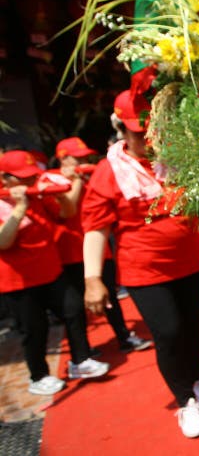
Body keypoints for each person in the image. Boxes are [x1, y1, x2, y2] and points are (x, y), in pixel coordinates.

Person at [81, 90, 199, 438]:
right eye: (137, 132)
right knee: (169, 333)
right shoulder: (108, 171)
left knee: (193, 328)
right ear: (121, 130)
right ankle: (184, 398)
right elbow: (96, 229)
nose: (146, 138)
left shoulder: (177, 157)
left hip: (189, 261)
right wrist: (93, 279)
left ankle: (196, 379)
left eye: (151, 129)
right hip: (145, 270)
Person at [0, 150, 109, 396]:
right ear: (5, 178)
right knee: (34, 328)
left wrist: (60, 195)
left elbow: (67, 212)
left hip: (50, 270)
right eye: (22, 178)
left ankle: (80, 360)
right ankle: (38, 375)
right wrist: (19, 208)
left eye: (31, 176)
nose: (29, 181)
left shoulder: (39, 191)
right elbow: (3, 242)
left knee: (73, 309)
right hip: (19, 281)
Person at [53, 137, 153, 353]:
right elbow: (68, 209)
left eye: (84, 157)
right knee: (75, 307)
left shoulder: (94, 177)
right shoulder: (51, 180)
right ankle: (81, 355)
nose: (83, 161)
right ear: (63, 158)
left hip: (101, 252)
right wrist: (78, 180)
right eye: (77, 158)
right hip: (70, 253)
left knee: (111, 297)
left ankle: (124, 338)